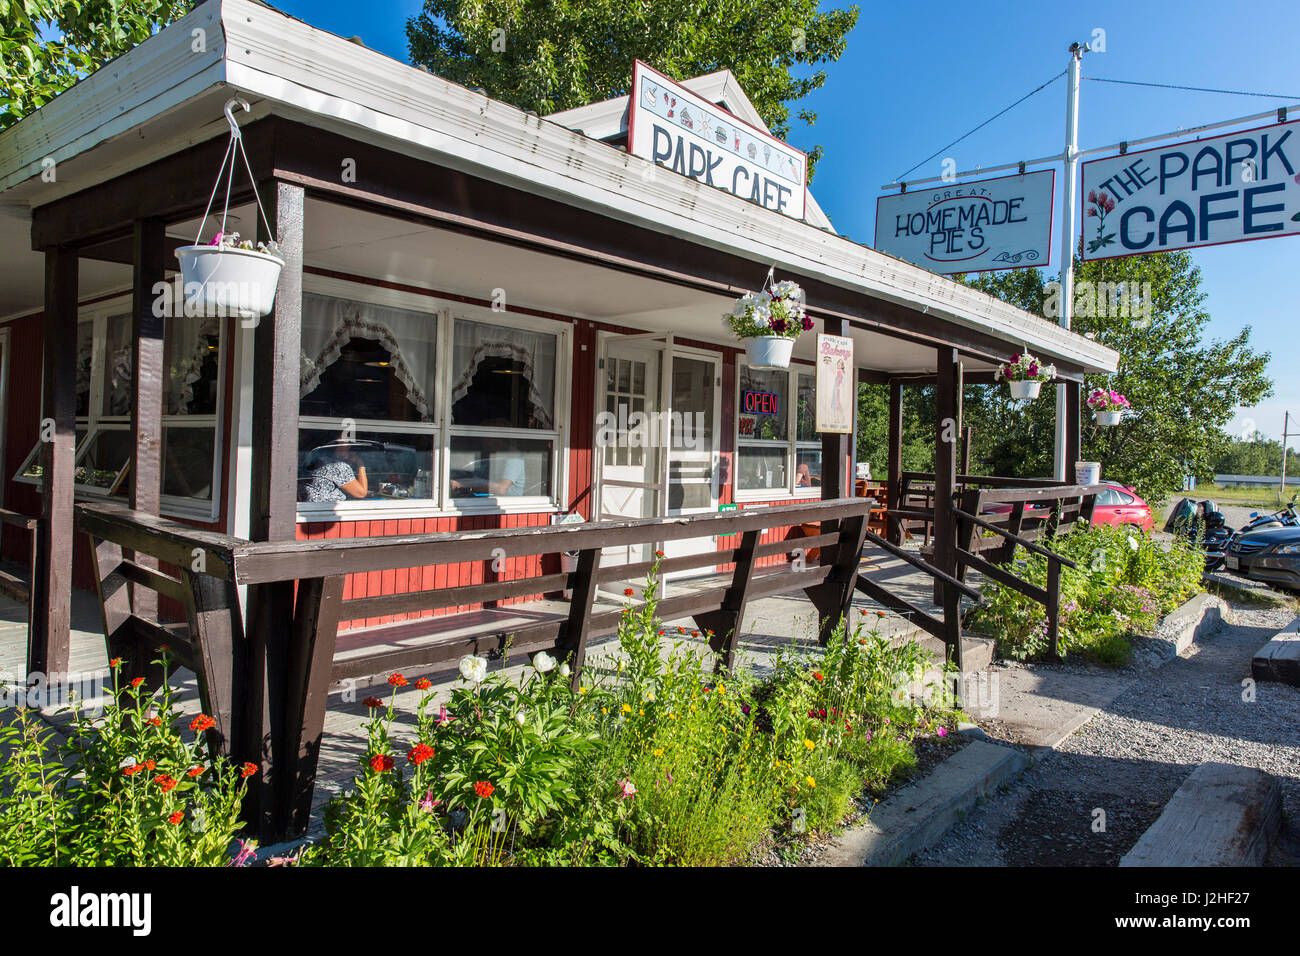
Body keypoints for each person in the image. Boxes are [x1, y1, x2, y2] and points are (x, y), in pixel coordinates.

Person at [450, 420, 527, 496]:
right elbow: (477, 480)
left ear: (498, 438)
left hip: (505, 504)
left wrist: (462, 484)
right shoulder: (490, 454)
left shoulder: (513, 457)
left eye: (485, 436)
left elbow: (501, 488)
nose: (482, 440)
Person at [304, 441, 369, 502]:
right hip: (328, 509)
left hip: (313, 507)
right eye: (348, 448)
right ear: (337, 449)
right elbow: (361, 493)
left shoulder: (320, 461)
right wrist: (360, 465)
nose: (353, 453)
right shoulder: (338, 466)